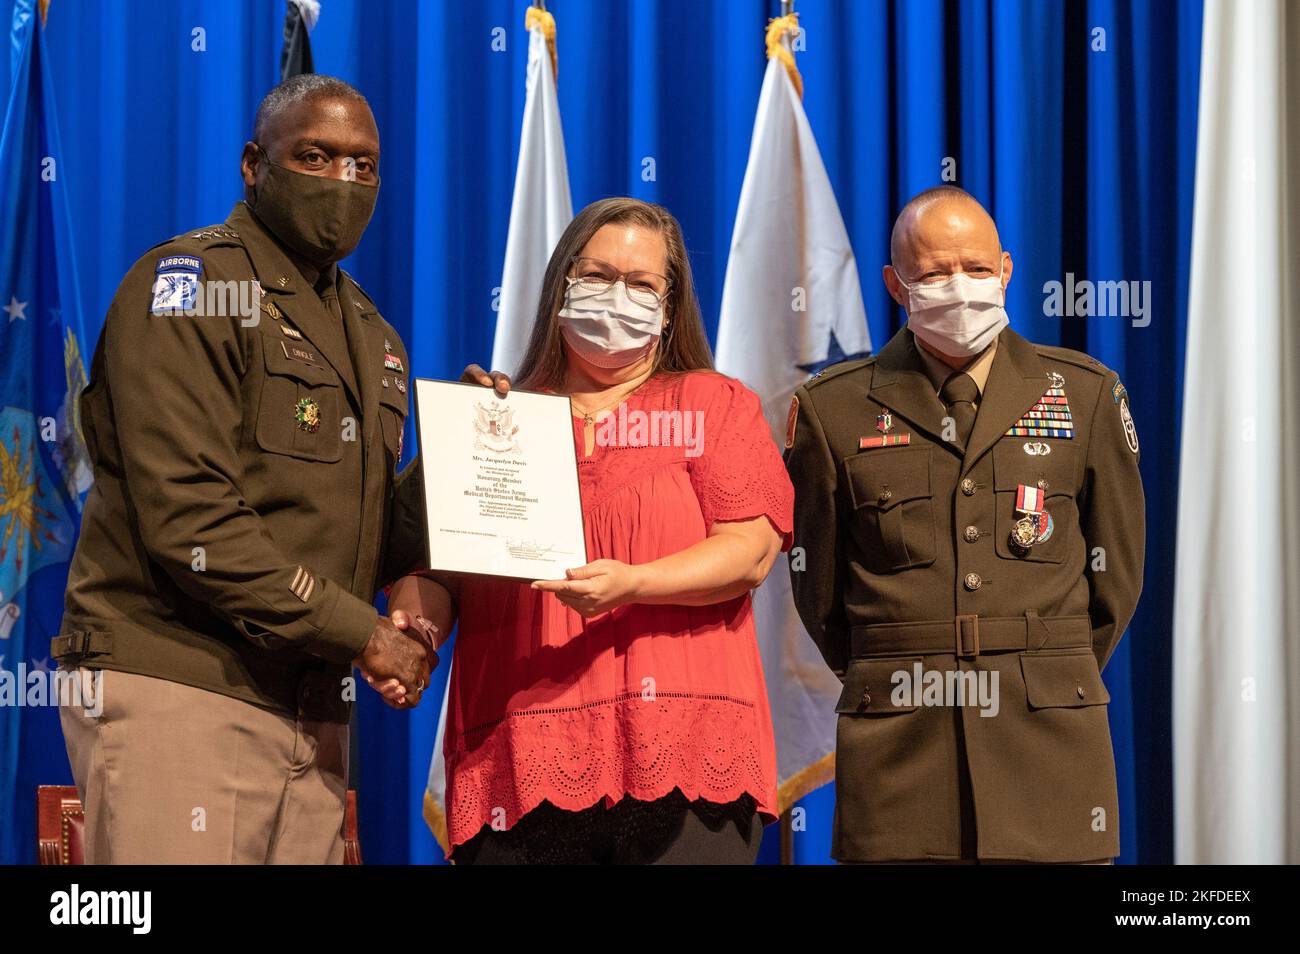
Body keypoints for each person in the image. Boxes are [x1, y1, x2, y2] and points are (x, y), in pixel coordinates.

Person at [55, 74, 442, 864]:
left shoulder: (375, 337)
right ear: (252, 164)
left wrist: (477, 452)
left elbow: (365, 537)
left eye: (363, 166)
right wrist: (362, 635)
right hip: (183, 682)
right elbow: (192, 522)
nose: (343, 181)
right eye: (316, 156)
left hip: (311, 714)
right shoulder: (191, 291)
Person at [386, 197, 794, 864]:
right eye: (598, 276)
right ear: (560, 287)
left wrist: (633, 583)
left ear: (670, 306)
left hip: (685, 759)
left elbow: (749, 552)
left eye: (641, 284)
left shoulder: (712, 404)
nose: (616, 297)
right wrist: (415, 633)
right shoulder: (499, 419)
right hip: (518, 763)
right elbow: (438, 573)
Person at [785, 185, 1145, 864]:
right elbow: (821, 594)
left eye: (977, 269)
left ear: (1006, 270)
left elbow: (1116, 579)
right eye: (935, 273)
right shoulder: (834, 410)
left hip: (1049, 747)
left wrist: (1041, 663)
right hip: (899, 752)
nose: (961, 287)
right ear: (896, 285)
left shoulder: (1084, 394)